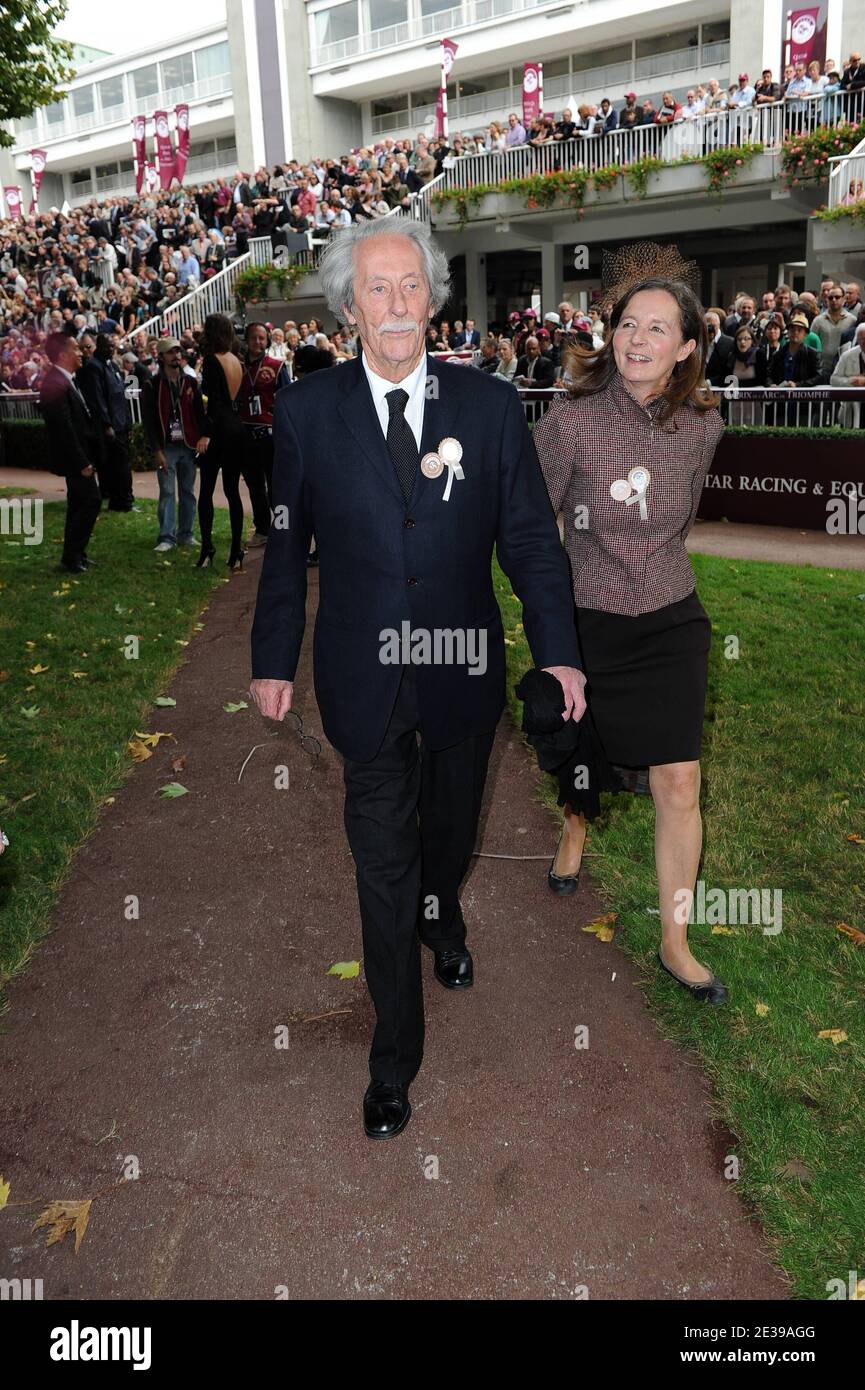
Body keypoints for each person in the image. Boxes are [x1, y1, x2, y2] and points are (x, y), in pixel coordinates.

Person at [248, 218, 583, 1139]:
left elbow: (527, 540)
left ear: (433, 299)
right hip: (363, 681)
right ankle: (393, 1057)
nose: (394, 306)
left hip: (461, 674)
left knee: (446, 841)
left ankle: (447, 921)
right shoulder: (307, 410)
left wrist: (557, 650)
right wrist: (272, 658)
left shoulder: (486, 405)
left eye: (410, 287)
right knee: (382, 869)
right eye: (375, 289)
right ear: (347, 307)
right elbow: (286, 548)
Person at [533, 252, 728, 1004]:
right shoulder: (569, 424)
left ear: (685, 347)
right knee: (585, 762)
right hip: (589, 622)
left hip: (671, 617)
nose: (637, 339)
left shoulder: (702, 426)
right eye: (626, 324)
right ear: (609, 335)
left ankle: (674, 940)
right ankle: (575, 826)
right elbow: (531, 531)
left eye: (657, 328)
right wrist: (551, 628)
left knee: (678, 780)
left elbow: (681, 516)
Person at [197, 313, 259, 571]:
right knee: (232, 490)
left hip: (217, 428)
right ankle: (236, 550)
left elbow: (211, 401)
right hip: (236, 426)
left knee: (206, 491)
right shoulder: (237, 360)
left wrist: (205, 432)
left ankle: (208, 547)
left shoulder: (212, 360)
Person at [40, 332, 103, 573]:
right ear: (64, 354)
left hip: (80, 457)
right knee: (90, 502)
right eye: (77, 349)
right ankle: (73, 556)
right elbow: (63, 429)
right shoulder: (55, 382)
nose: (82, 353)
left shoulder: (66, 379)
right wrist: (82, 462)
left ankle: (75, 555)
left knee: (78, 504)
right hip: (75, 460)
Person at [141, 337, 208, 552]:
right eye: (171, 352)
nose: (176, 355)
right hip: (166, 447)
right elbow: (149, 422)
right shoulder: (151, 385)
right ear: (160, 357)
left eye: (178, 351)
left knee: (187, 491)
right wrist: (156, 450)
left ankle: (186, 534)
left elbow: (199, 413)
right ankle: (166, 537)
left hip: (188, 445)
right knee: (167, 492)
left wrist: (204, 436)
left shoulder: (190, 383)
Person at [78, 334, 136, 513]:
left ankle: (125, 499)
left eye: (114, 346)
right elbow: (97, 399)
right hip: (110, 425)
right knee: (117, 465)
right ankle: (120, 501)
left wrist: (128, 422)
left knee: (123, 463)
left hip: (121, 422)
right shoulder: (94, 367)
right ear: (99, 346)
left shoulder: (112, 365)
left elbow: (121, 394)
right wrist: (107, 424)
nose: (112, 349)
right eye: (109, 346)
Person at [236, 322, 282, 543]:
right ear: (246, 340)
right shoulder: (237, 368)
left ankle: (284, 529)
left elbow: (287, 399)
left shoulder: (277, 366)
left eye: (262, 338)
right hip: (246, 435)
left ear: (268, 341)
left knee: (278, 487)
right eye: (253, 337)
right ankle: (263, 530)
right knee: (255, 487)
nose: (257, 342)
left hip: (271, 435)